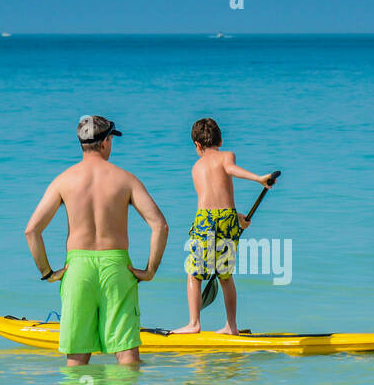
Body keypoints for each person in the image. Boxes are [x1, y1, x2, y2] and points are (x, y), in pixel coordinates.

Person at [24, 116, 168, 366]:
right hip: (117, 268)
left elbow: (32, 231)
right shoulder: (126, 179)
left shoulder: (63, 180)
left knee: (77, 356)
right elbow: (160, 225)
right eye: (112, 140)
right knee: (127, 355)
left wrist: (48, 272)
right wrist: (150, 270)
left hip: (77, 269)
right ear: (105, 142)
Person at [172, 118, 277, 335]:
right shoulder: (227, 155)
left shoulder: (196, 167)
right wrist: (238, 217)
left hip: (204, 220)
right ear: (220, 140)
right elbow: (226, 181)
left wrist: (259, 179)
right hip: (228, 218)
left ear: (197, 145)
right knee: (225, 276)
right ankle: (231, 326)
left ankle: (194, 323)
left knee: (194, 274)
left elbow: (209, 201)